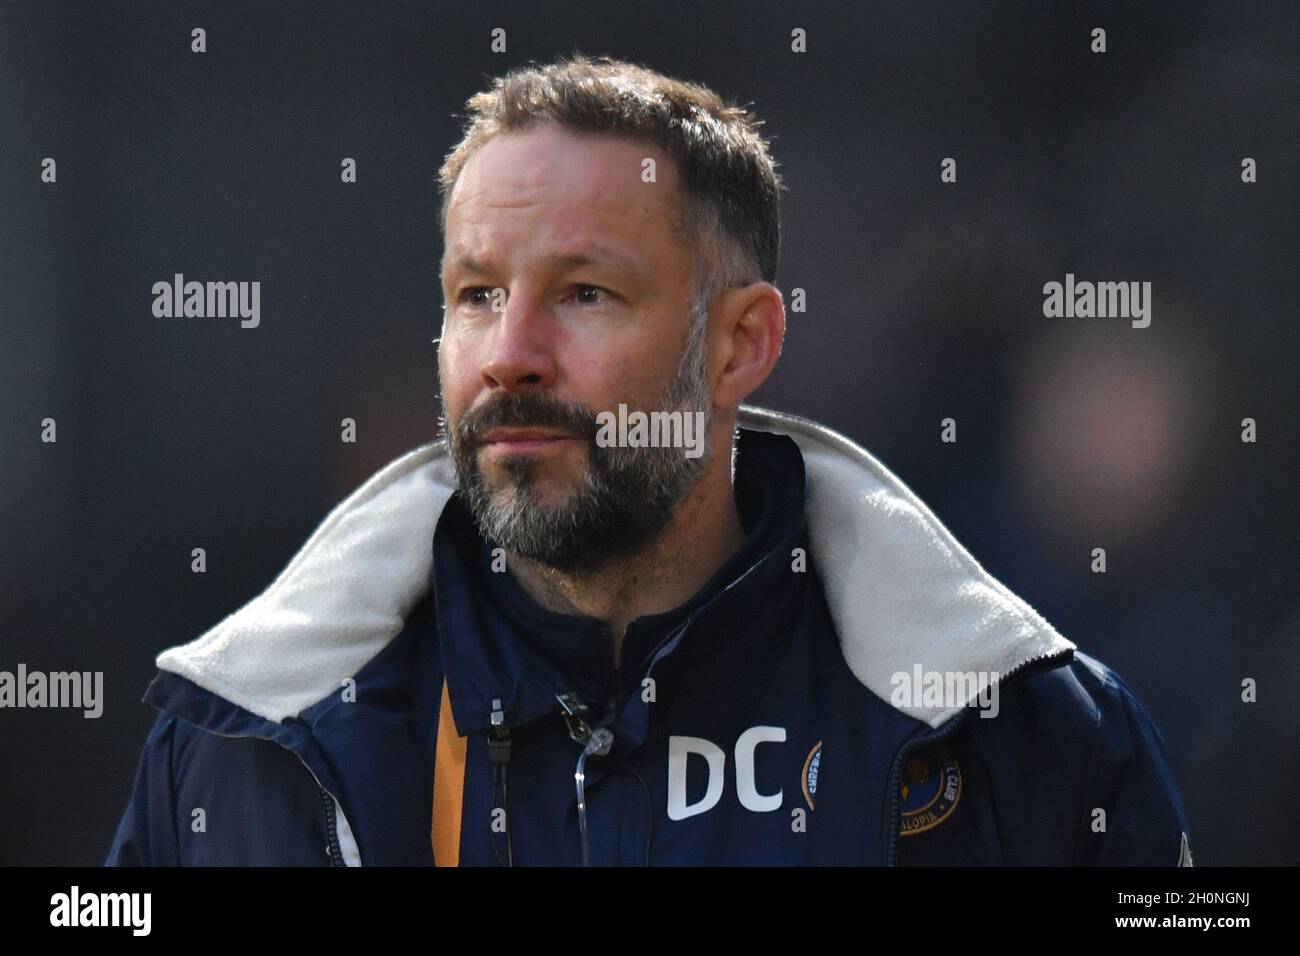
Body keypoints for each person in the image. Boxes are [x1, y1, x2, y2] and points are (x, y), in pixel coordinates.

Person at [105, 53, 1192, 866]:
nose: (511, 357)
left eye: (586, 293)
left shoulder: (1029, 734)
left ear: (740, 344)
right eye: (477, 295)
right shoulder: (238, 743)